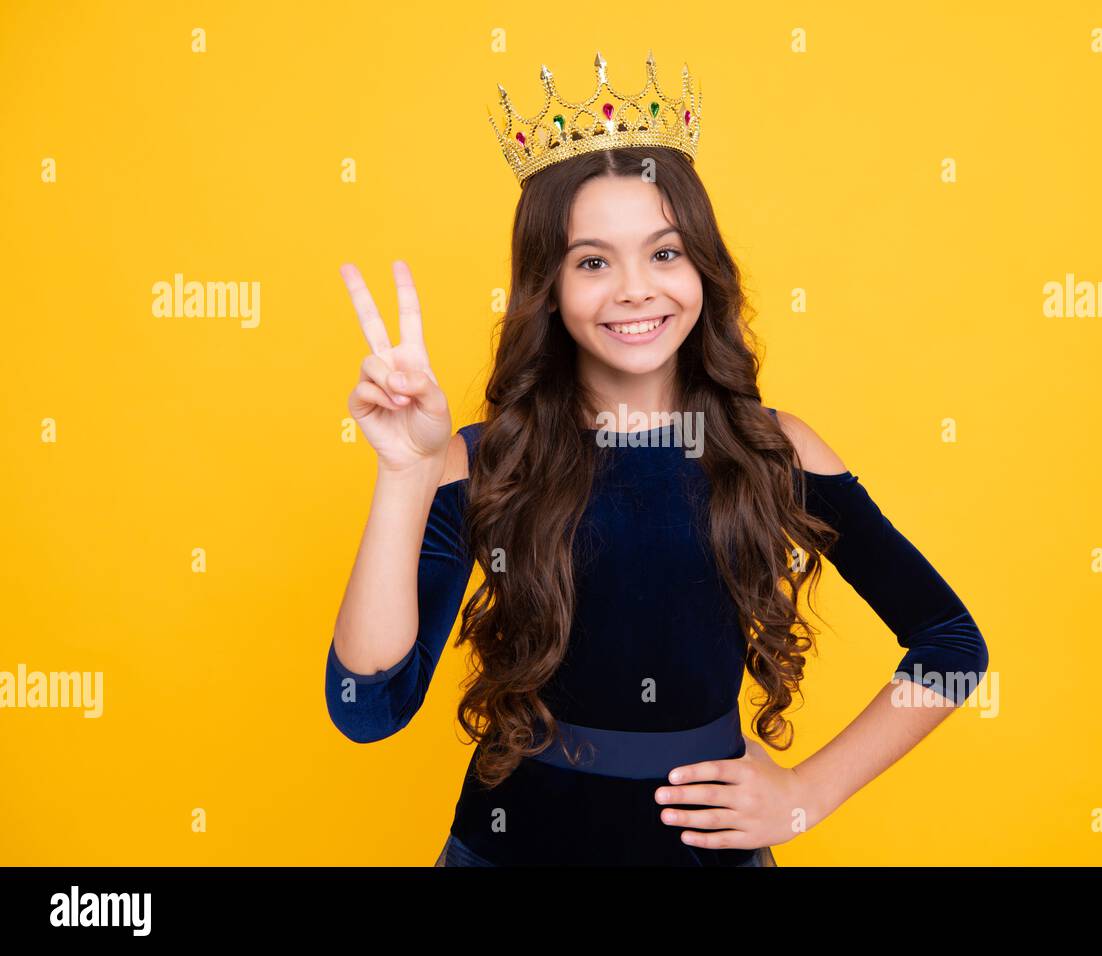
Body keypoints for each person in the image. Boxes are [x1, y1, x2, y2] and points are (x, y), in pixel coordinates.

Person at [325, 51, 989, 866]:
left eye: (665, 253)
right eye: (593, 261)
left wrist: (808, 794)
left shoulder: (774, 450)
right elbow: (365, 705)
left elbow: (954, 647)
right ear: (549, 288)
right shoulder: (478, 461)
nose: (636, 288)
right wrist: (403, 474)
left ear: (702, 267)